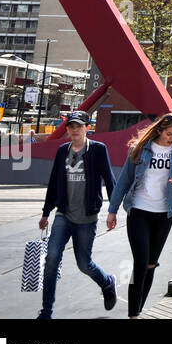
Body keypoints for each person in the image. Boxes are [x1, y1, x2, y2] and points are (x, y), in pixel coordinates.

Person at [107, 113, 172, 319]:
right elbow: (124, 181)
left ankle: (138, 309)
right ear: (159, 130)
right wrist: (112, 210)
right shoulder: (140, 149)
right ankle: (133, 315)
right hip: (139, 211)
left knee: (151, 264)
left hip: (164, 214)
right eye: (169, 133)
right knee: (140, 262)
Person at [36, 111, 117, 319]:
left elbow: (109, 179)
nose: (74, 129)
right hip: (63, 215)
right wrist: (46, 213)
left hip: (87, 217)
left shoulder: (98, 150)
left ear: (87, 128)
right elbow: (54, 182)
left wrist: (113, 210)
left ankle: (107, 282)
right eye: (71, 126)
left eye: (79, 126)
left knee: (84, 264)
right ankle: (46, 311)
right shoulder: (63, 150)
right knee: (52, 259)